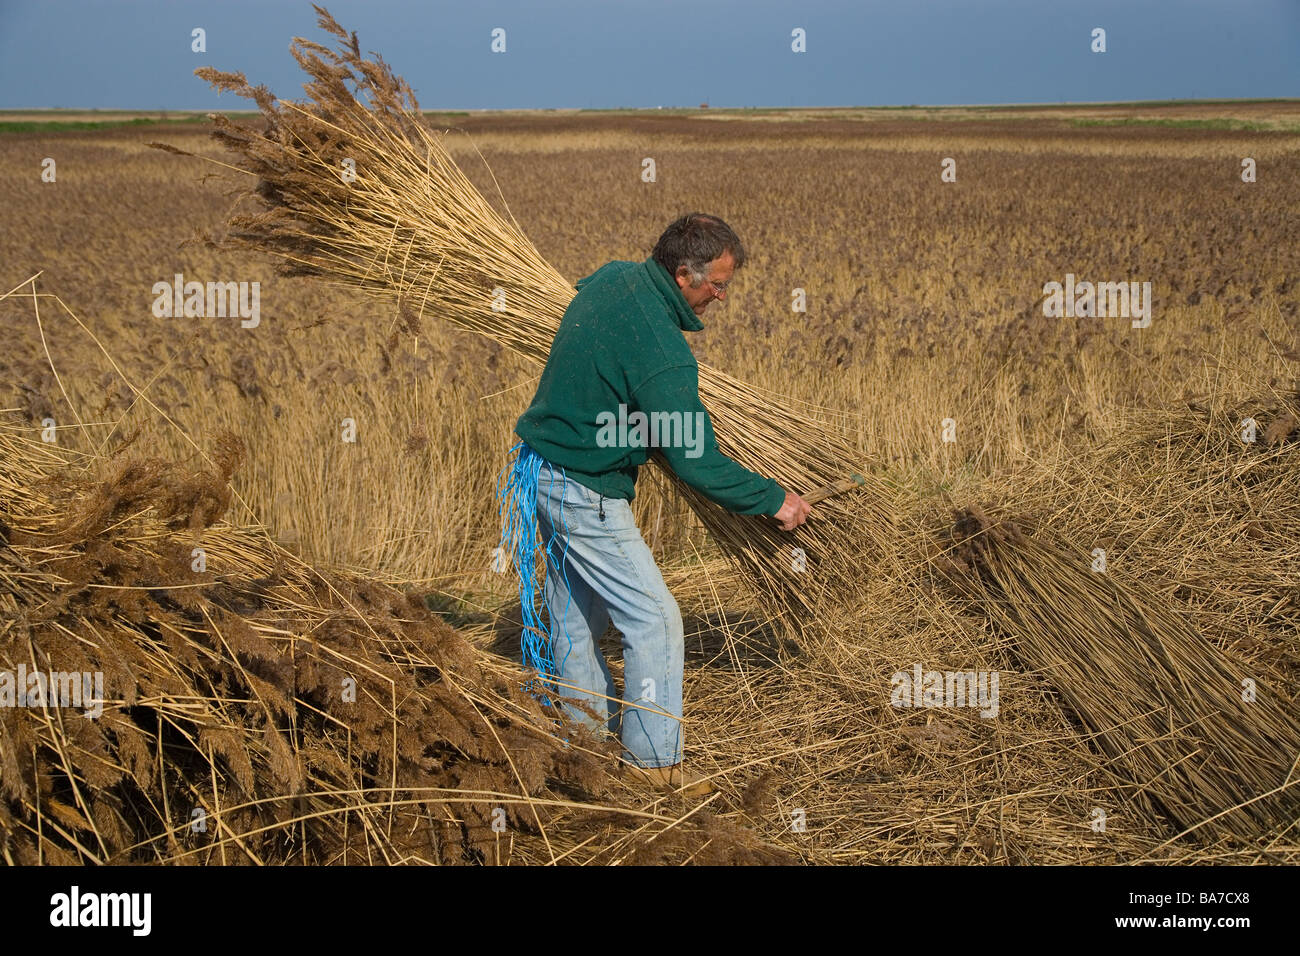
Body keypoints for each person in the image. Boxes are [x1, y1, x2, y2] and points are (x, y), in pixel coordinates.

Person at [500, 212, 811, 795]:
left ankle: (583, 743)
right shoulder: (666, 356)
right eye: (716, 283)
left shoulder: (616, 278)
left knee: (574, 619)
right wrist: (775, 501)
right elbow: (696, 459)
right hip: (584, 489)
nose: (720, 295)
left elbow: (585, 293)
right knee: (656, 622)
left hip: (539, 468)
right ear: (683, 272)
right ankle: (655, 767)